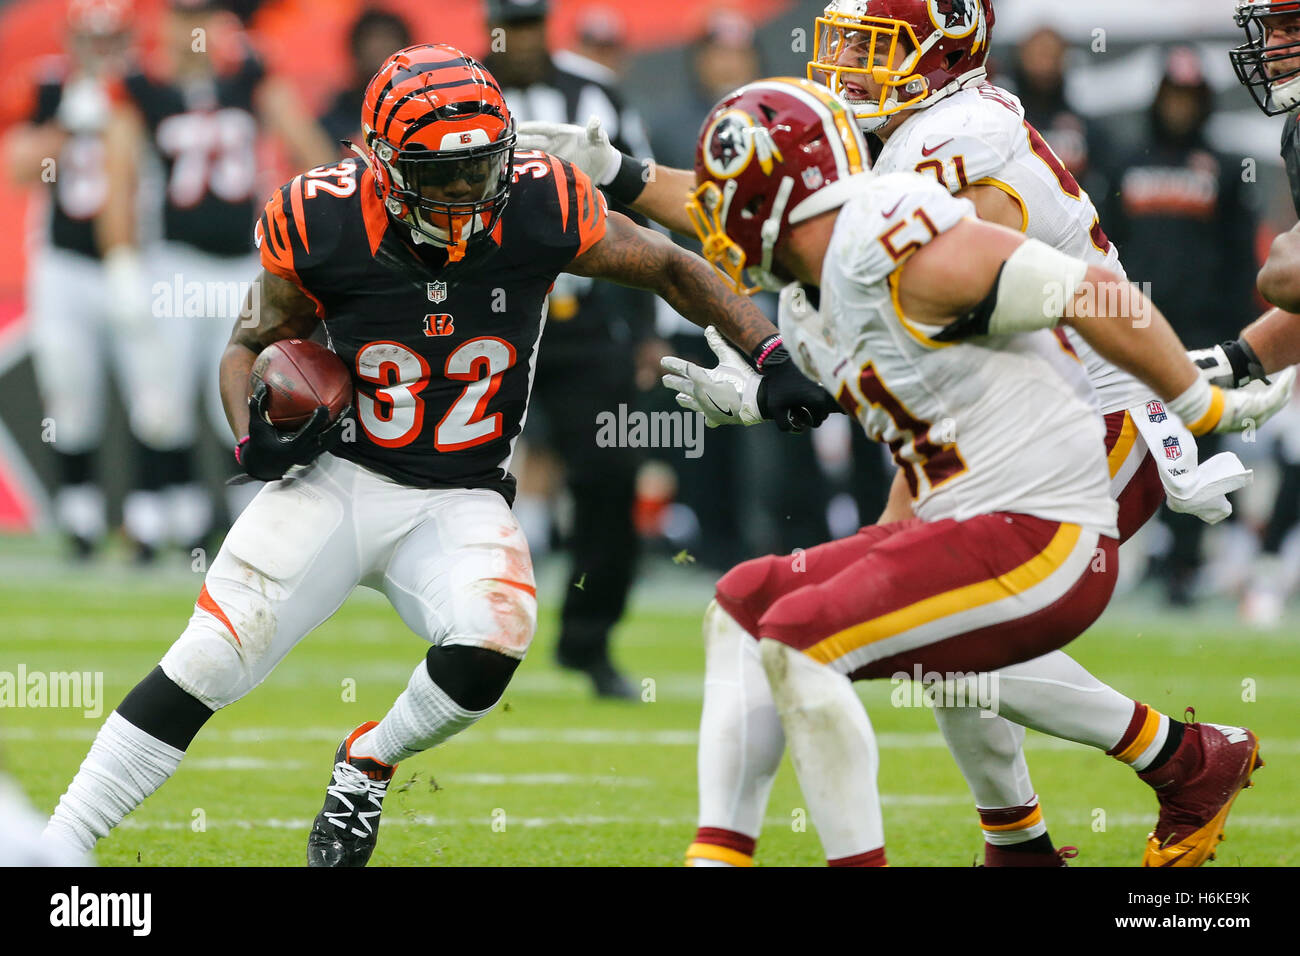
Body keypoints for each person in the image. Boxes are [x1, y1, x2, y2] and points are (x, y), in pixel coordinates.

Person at [520, 0, 1286, 867]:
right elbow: (765, 218)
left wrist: (1189, 401)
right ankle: (1026, 840)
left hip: (1077, 408)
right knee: (919, 622)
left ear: (946, 44)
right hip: (967, 412)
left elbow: (984, 304)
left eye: (870, 44)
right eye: (842, 39)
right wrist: (618, 174)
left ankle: (1179, 762)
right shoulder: (885, 161)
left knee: (942, 628)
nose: (843, 60)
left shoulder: (949, 140)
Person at [39, 44, 837, 868]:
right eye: (437, 175)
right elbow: (252, 343)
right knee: (208, 658)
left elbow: (671, 264)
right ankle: (56, 849)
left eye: (480, 170)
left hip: (462, 496)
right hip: (337, 480)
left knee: (495, 634)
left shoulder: (540, 200)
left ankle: (368, 760)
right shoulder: (319, 217)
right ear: (382, 163)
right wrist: (253, 433)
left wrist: (771, 352)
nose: (463, 195)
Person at [100, 0, 334, 556]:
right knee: (161, 400)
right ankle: (168, 516)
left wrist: (327, 224)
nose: (193, 28)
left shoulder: (252, 73)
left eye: (202, 13)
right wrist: (121, 261)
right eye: (183, 14)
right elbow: (120, 178)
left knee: (248, 392)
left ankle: (249, 519)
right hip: (172, 265)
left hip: (241, 265)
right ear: (165, 21)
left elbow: (309, 152)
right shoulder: (137, 87)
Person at [485, 0, 659, 697]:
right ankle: (466, 638)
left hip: (585, 323)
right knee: (457, 479)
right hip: (488, 318)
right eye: (511, 24)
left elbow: (637, 203)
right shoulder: (461, 91)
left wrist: (645, 327)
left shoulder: (594, 93)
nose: (522, 38)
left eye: (531, 24)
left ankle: (590, 639)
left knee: (611, 477)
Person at [1107, 46, 1262, 605]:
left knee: (1199, 440)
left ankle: (1187, 564)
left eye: (1189, 96)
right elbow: (1105, 249)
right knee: (1135, 440)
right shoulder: (1126, 162)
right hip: (1136, 331)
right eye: (1172, 94)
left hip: (1202, 334)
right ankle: (1149, 554)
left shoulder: (1221, 167)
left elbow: (1241, 254)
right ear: (1159, 97)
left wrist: (1239, 334)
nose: (1179, 106)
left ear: (1202, 102)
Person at [3, 0, 150, 558]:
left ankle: (149, 516)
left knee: (151, 393)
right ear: (74, 38)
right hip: (63, 262)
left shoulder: (144, 87)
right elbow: (20, 167)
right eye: (92, 38)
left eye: (111, 38)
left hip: (137, 260)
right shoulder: (48, 87)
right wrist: (68, 122)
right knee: (69, 389)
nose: (102, 51)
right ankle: (80, 515)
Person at [318, 6, 412, 147]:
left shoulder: (424, 109)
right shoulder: (336, 118)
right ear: (355, 51)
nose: (378, 49)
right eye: (372, 41)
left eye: (387, 40)